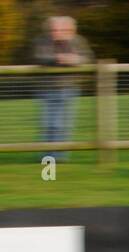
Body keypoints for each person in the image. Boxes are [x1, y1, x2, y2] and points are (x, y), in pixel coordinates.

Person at [31, 16, 94, 162]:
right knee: (50, 124)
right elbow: (38, 57)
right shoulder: (41, 41)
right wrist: (58, 58)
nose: (57, 32)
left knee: (65, 124)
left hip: (69, 88)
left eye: (61, 29)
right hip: (46, 89)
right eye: (53, 29)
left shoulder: (78, 41)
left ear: (71, 30)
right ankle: (48, 155)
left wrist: (76, 60)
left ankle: (60, 156)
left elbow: (88, 58)